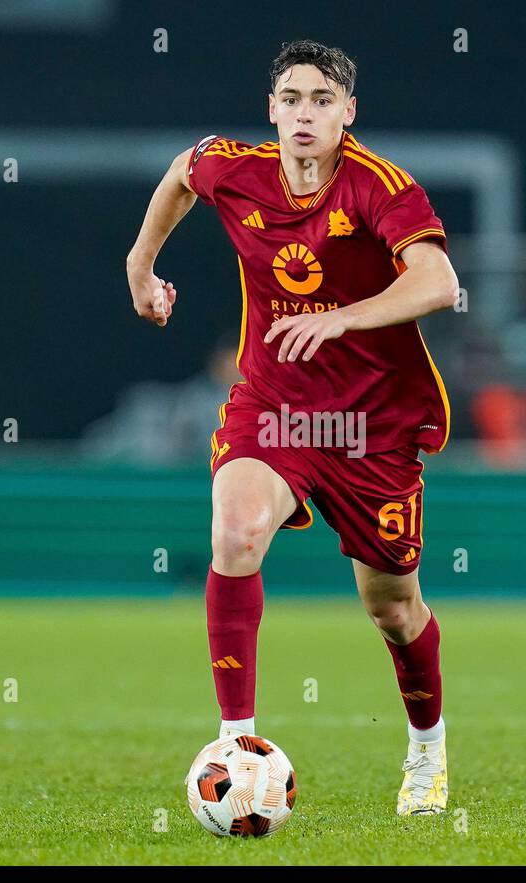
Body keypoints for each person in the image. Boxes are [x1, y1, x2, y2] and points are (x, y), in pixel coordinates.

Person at [126, 40, 460, 816]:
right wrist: (142, 263)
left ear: (348, 114)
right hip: (273, 408)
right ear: (271, 109)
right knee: (236, 534)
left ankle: (427, 750)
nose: (303, 113)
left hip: (372, 426)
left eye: (320, 100)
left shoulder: (381, 186)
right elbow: (183, 171)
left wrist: (343, 319)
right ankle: (235, 746)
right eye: (290, 98)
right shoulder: (237, 169)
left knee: (392, 607)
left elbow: (439, 281)